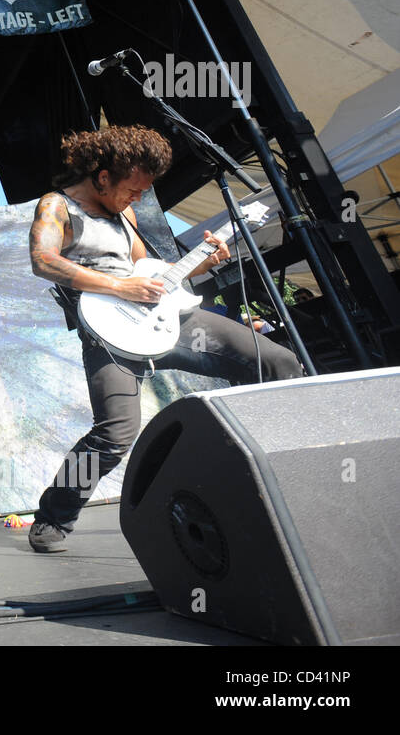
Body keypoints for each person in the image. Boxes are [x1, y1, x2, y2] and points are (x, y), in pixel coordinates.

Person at [26, 125, 302, 552]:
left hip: (165, 322)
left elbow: (150, 276)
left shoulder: (125, 215)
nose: (137, 198)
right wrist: (118, 289)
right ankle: (53, 518)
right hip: (108, 334)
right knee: (114, 435)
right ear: (102, 177)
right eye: (132, 190)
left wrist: (201, 262)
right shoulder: (57, 206)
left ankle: (270, 474)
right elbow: (43, 261)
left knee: (278, 362)